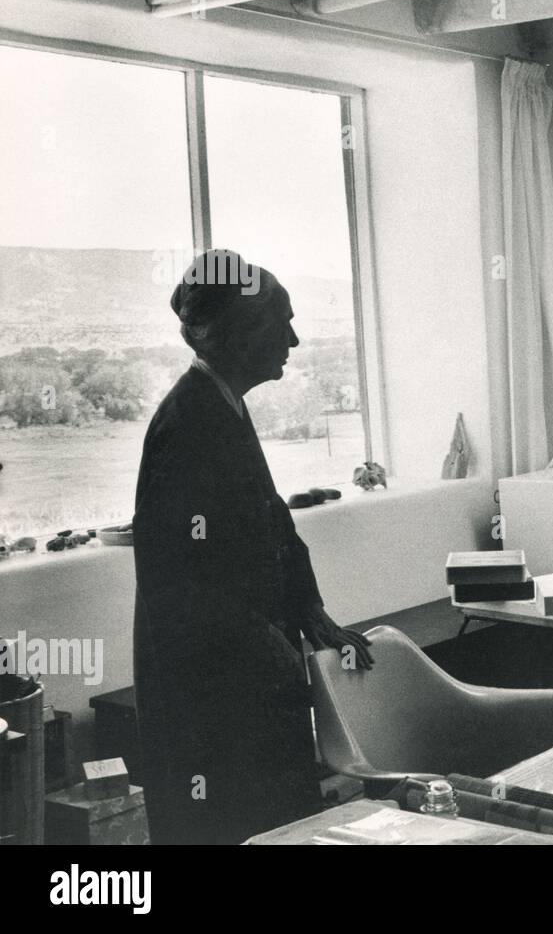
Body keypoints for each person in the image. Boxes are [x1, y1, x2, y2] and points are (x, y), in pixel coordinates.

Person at [132, 250, 373, 844]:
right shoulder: (189, 423)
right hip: (210, 684)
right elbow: (183, 579)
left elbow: (274, 525)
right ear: (235, 333)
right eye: (279, 322)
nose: (292, 338)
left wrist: (310, 610)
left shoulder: (222, 406)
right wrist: (268, 647)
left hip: (252, 667)